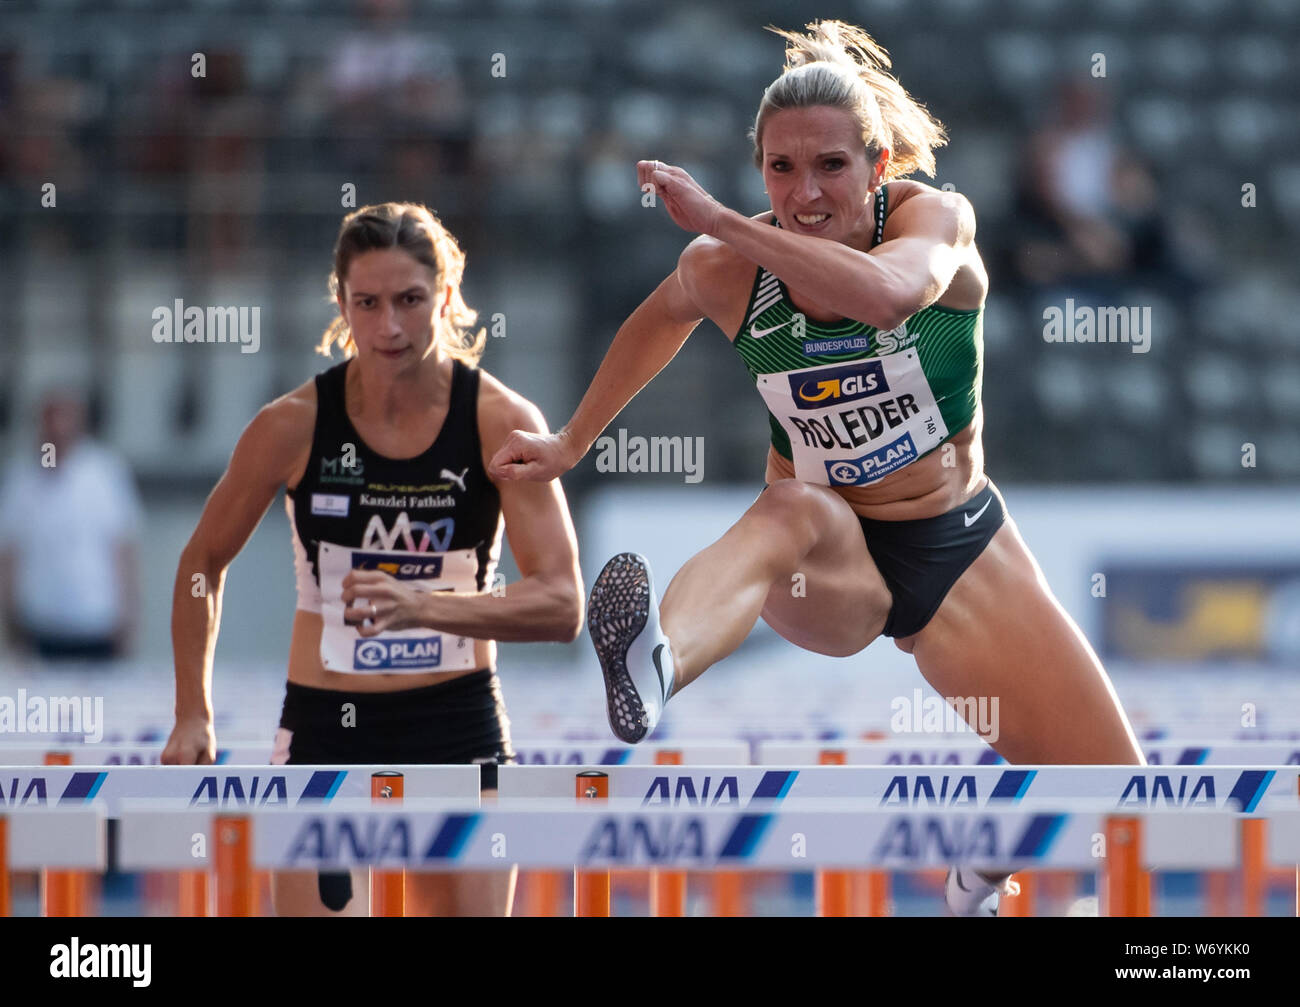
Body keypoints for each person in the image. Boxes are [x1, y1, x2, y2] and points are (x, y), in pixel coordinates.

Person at [488, 21, 1144, 916]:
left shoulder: (936, 222)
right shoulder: (726, 270)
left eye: (831, 166)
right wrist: (572, 441)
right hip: (825, 559)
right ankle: (655, 661)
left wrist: (722, 220)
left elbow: (882, 295)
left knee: (1128, 805)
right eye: (782, 170)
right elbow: (660, 318)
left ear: (879, 167)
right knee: (789, 507)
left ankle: (987, 860)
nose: (804, 194)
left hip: (952, 553)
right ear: (761, 171)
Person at [161, 202, 583, 917]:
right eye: (369, 303)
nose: (390, 326)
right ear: (341, 304)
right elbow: (202, 560)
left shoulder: (501, 421)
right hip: (327, 720)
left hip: (457, 721)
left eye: (411, 301)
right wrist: (192, 712)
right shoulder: (291, 425)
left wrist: (424, 605)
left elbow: (564, 603)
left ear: (446, 297)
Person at [0, 388, 142, 661]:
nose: (57, 429)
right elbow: (9, 556)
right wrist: (9, 625)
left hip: (97, 624)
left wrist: (130, 617)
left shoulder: (105, 473)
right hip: (39, 626)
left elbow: (125, 550)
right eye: (51, 420)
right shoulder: (21, 479)